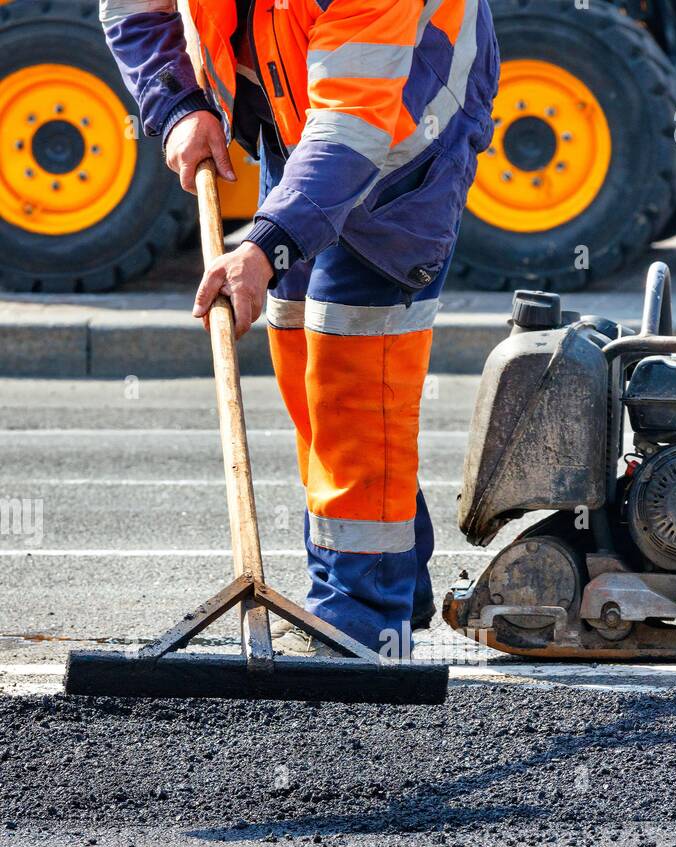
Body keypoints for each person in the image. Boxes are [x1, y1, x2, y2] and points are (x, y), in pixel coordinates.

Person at [99, 0, 499, 657]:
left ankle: (362, 618)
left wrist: (264, 245)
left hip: (405, 130)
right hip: (300, 117)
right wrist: (176, 101)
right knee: (299, 350)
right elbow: (133, 8)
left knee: (352, 373)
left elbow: (356, 123)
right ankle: (395, 576)